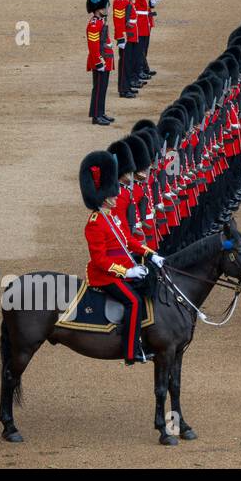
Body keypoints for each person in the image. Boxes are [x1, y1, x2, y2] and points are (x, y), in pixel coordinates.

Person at [80, 149, 147, 364]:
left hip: (121, 268)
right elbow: (100, 260)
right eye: (112, 194)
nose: (117, 196)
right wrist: (127, 271)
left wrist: (151, 254)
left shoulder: (111, 218)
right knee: (134, 302)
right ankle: (131, 350)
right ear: (103, 197)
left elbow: (127, 242)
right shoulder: (95, 223)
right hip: (104, 276)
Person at [85, 0, 114, 125]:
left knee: (103, 88)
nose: (107, 8)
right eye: (105, 6)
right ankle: (96, 116)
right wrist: (99, 62)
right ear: (99, 8)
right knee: (98, 88)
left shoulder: (100, 22)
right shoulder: (94, 24)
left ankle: (101, 112)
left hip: (105, 59)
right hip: (100, 61)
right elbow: (93, 46)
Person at [110, 0, 139, 98]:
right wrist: (121, 37)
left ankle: (127, 86)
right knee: (124, 64)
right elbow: (118, 21)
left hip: (132, 35)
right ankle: (123, 88)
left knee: (129, 62)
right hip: (126, 37)